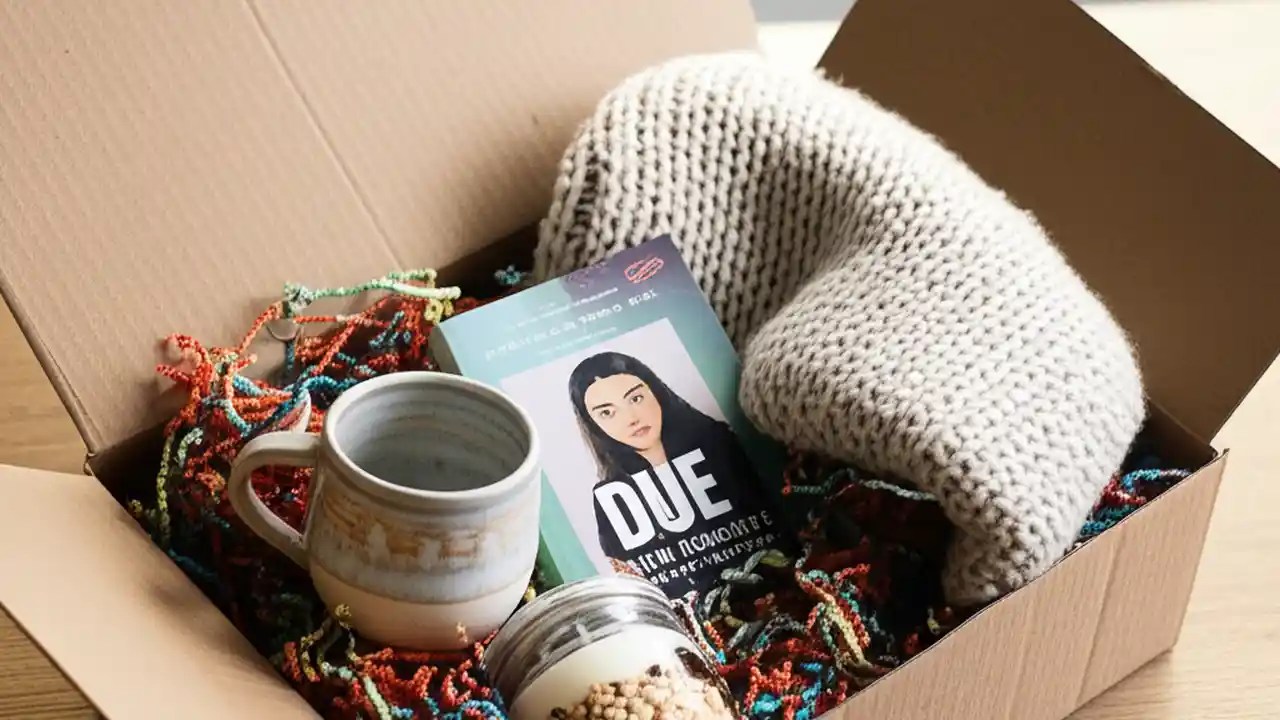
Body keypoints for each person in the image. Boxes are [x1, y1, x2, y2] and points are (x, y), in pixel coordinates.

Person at [567, 351, 771, 593]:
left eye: (636, 398)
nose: (632, 418)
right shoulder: (612, 498)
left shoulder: (719, 443)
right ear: (594, 425)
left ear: (656, 392)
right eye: (607, 413)